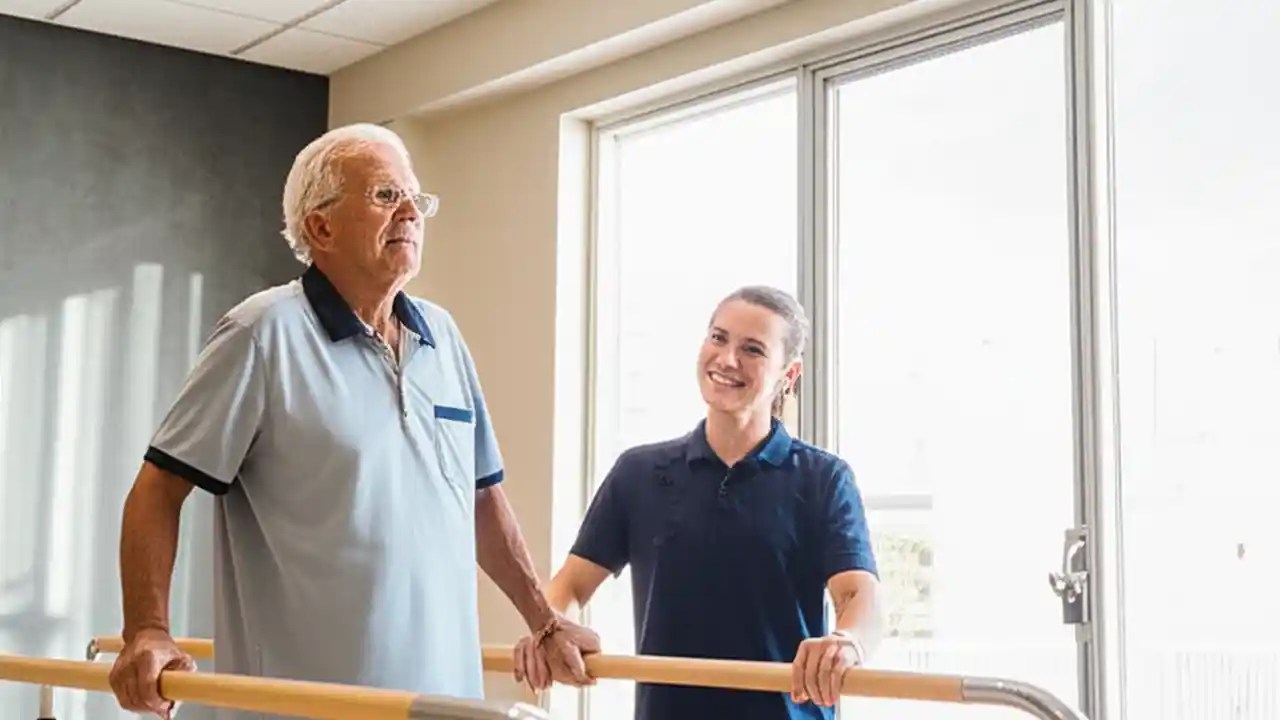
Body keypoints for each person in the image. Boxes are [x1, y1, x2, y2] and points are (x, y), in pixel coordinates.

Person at [108, 123, 598, 719]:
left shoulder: (442, 336)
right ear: (321, 227)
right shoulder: (262, 334)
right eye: (386, 196)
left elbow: (480, 499)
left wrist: (544, 622)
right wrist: (147, 631)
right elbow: (157, 490)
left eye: (416, 199)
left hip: (442, 700)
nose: (410, 213)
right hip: (306, 706)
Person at [511, 286, 882, 719]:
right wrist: (549, 626)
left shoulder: (823, 478)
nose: (727, 359)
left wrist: (846, 642)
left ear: (789, 374)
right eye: (718, 338)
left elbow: (860, 595)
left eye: (753, 349)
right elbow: (570, 587)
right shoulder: (638, 473)